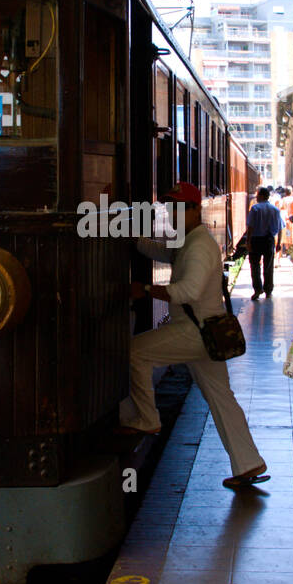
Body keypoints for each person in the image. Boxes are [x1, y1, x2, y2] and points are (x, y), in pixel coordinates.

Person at [122, 182, 269, 488]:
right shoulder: (188, 240)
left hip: (194, 331)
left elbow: (187, 291)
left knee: (134, 352)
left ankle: (147, 420)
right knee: (223, 399)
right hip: (208, 333)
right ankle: (249, 464)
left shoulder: (200, 246)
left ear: (195, 209)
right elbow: (162, 251)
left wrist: (146, 289)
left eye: (178, 208)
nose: (172, 214)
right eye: (169, 208)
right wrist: (132, 238)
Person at [246, 186, 282, 301]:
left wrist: (248, 241)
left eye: (257, 195)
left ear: (261, 196)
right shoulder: (275, 210)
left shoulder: (255, 209)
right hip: (269, 240)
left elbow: (250, 227)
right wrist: (279, 243)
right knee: (268, 266)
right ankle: (268, 291)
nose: (256, 197)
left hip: (256, 240)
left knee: (255, 265)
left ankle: (257, 289)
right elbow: (280, 228)